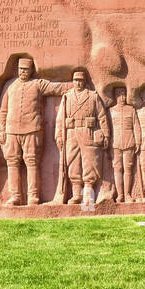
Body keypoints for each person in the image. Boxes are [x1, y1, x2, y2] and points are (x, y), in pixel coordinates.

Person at [0, 56, 71, 206]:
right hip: (12, 131)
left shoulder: (37, 84)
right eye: (21, 69)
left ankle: (33, 196)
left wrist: (74, 85)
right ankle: (15, 196)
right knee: (12, 163)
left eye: (26, 69)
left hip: (32, 129)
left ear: (31, 71)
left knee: (32, 163)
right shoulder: (10, 87)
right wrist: (0, 129)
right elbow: (3, 111)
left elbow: (56, 88)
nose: (23, 72)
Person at [55, 69, 109, 206]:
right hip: (71, 133)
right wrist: (59, 136)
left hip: (88, 132)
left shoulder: (92, 96)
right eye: (75, 80)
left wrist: (106, 134)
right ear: (72, 81)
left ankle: (88, 197)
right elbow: (60, 119)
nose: (78, 83)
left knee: (89, 164)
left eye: (80, 80)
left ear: (85, 81)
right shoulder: (67, 97)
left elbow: (102, 116)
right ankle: (76, 195)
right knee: (73, 163)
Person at [108, 87, 141, 204]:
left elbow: (136, 126)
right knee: (117, 169)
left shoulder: (131, 110)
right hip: (115, 143)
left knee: (128, 169)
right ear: (115, 96)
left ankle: (127, 194)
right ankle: (120, 194)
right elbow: (109, 129)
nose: (122, 98)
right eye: (119, 95)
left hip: (129, 142)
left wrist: (138, 141)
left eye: (124, 95)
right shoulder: (111, 111)